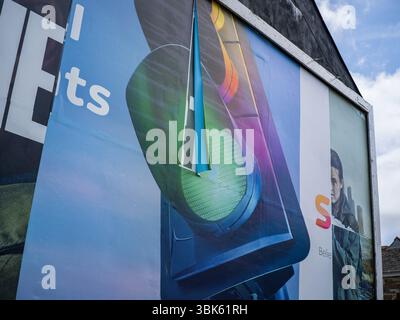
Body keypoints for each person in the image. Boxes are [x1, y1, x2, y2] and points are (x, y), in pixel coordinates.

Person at [331, 149, 363, 300]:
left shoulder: (350, 221)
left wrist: (328, 235)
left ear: (341, 183)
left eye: (333, 181)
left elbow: (350, 269)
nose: (330, 187)